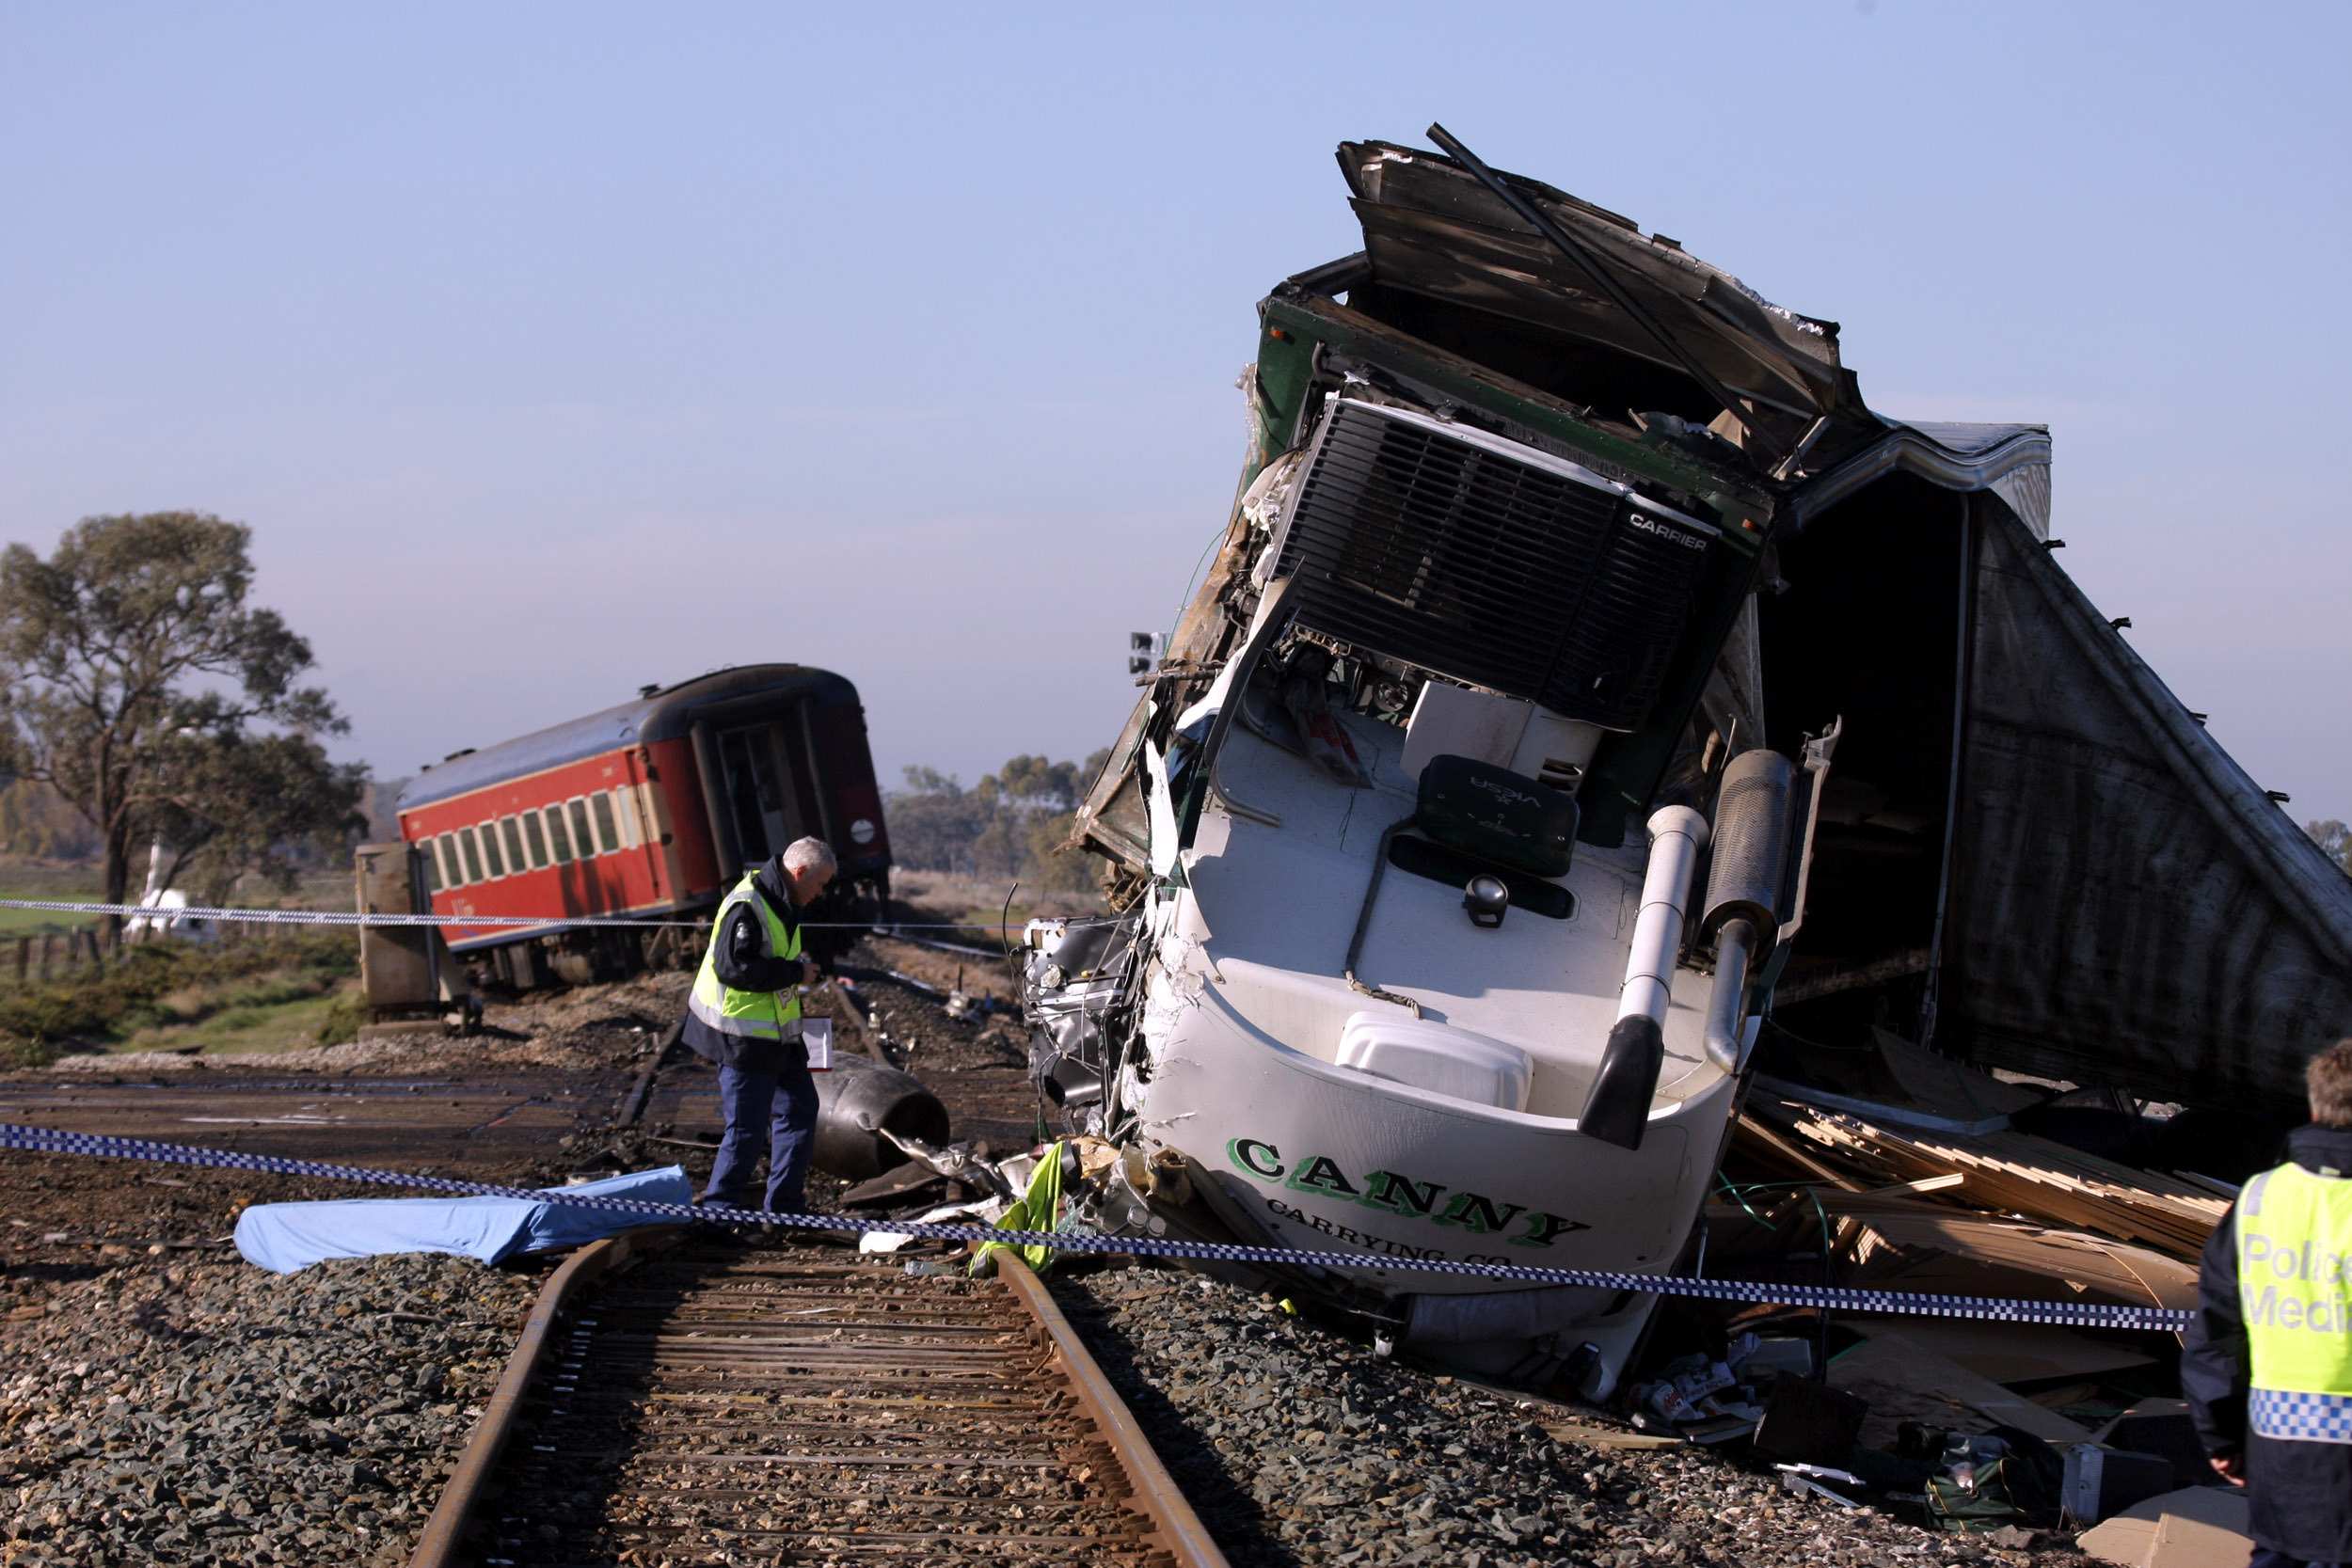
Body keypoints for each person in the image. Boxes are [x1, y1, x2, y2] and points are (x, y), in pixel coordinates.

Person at [2184, 1037, 2352, 1568]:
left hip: (2280, 1448)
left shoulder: (2260, 1197)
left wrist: (2221, 1437)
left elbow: (2216, 1330)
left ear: (2314, 1105)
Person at [682, 836, 836, 1215]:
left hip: (779, 1034)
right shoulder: (747, 905)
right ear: (798, 873)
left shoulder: (784, 899)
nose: (820, 893)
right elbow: (735, 968)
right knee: (747, 1130)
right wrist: (795, 972)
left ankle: (785, 1210)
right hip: (742, 1037)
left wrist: (797, 973)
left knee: (800, 1111)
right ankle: (720, 1214)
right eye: (819, 883)